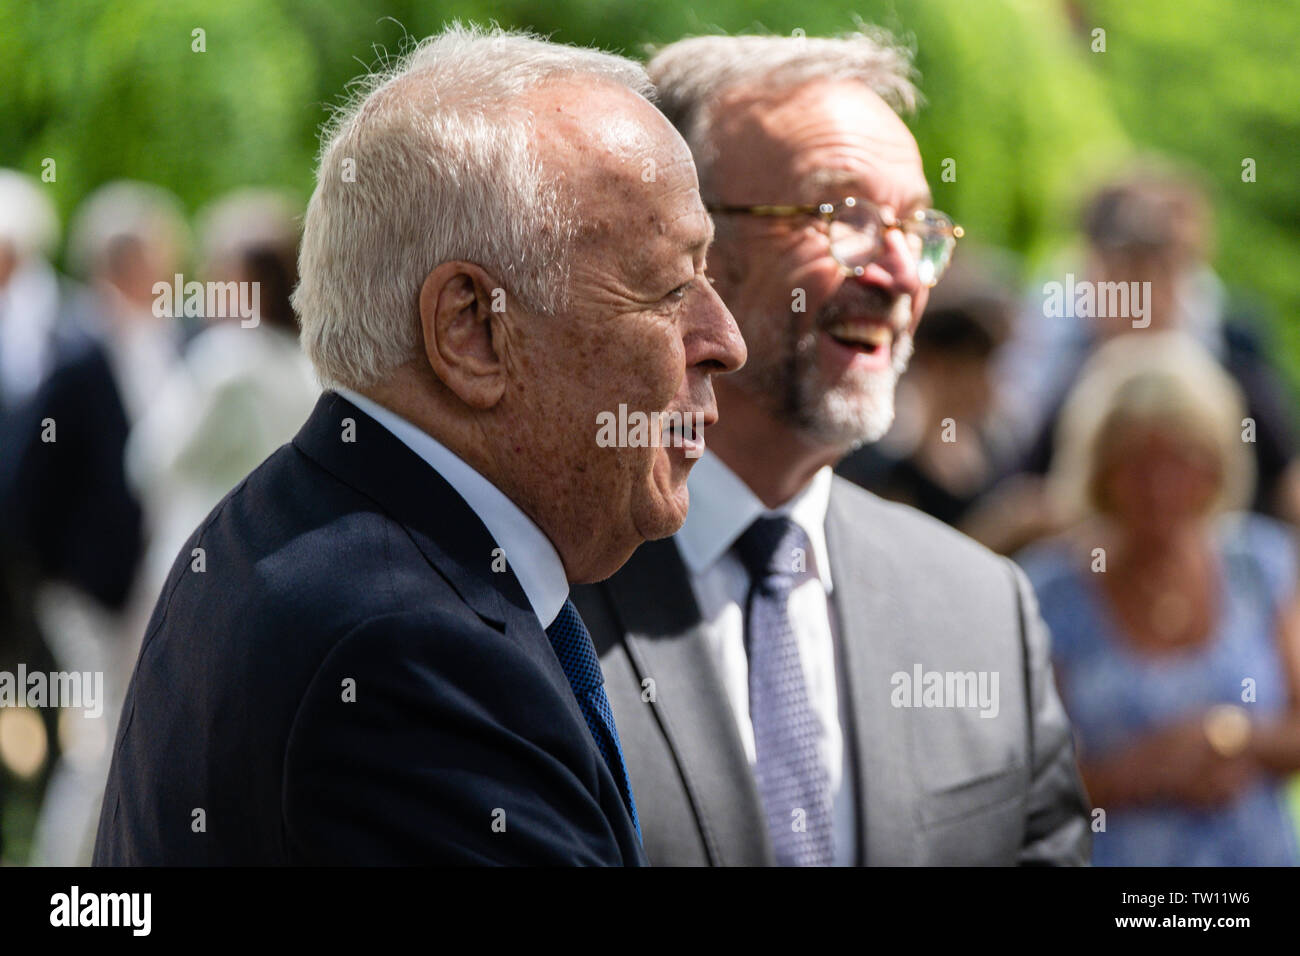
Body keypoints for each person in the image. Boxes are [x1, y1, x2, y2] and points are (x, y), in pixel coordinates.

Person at [94, 24, 744, 866]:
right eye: (670, 286)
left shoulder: (293, 530)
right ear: (472, 330)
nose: (725, 339)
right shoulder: (412, 650)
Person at [573, 30, 1090, 865]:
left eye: (920, 227)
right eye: (842, 215)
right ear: (683, 248)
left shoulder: (983, 610)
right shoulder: (541, 589)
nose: (900, 272)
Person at [1018, 332, 1300, 866]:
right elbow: (1027, 788)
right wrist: (1145, 772)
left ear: (1216, 466)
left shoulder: (1259, 565)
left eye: (1182, 462)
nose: (1160, 487)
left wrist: (1231, 739)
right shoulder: (1049, 592)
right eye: (1138, 463)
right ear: (1100, 468)